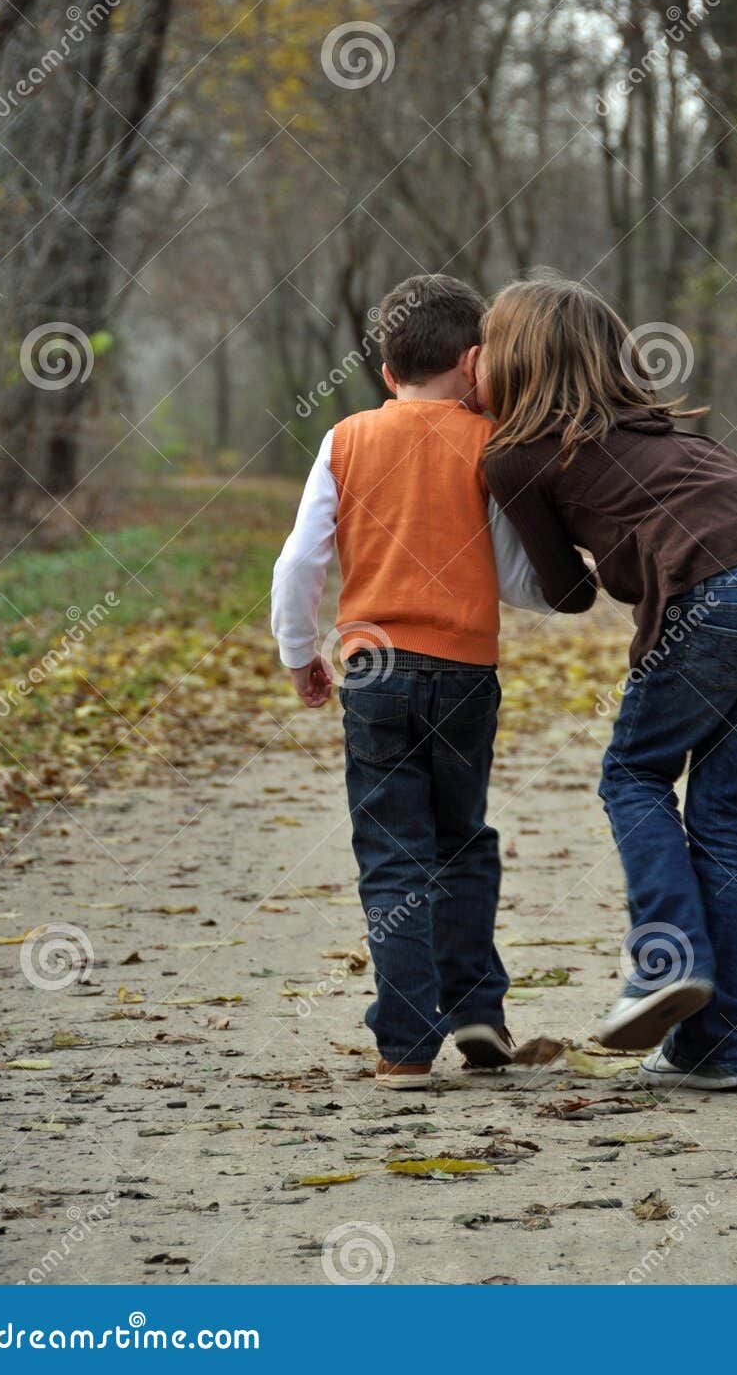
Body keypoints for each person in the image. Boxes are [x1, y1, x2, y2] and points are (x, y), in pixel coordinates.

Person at [479, 278, 737, 1091]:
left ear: (517, 358)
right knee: (719, 806)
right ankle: (719, 1049)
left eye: (490, 344)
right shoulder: (661, 430)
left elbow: (568, 592)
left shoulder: (514, 455)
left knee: (632, 774)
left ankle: (663, 962)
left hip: (721, 593)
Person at [271, 274, 546, 1090]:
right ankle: (479, 1013)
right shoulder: (488, 442)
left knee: (394, 857)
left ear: (387, 372)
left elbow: (299, 563)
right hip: (465, 669)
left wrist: (299, 653)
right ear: (474, 363)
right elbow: (516, 578)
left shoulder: (346, 439)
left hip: (375, 670)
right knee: (462, 842)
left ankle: (403, 1047)